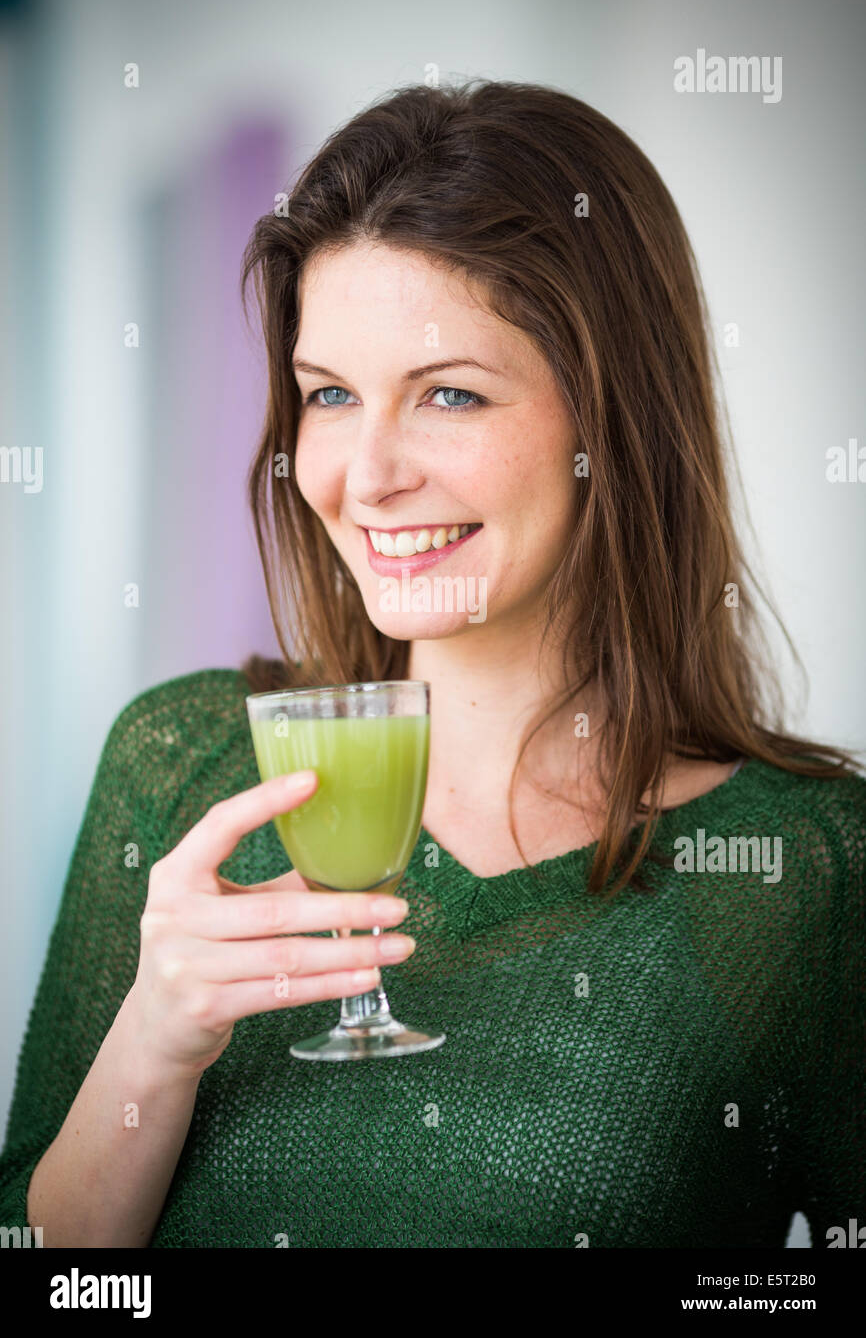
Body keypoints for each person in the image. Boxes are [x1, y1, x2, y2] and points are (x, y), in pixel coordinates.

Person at [1, 79, 863, 1249]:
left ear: (608, 418)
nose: (365, 474)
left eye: (448, 392)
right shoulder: (180, 760)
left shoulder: (806, 876)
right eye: (329, 396)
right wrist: (152, 1038)